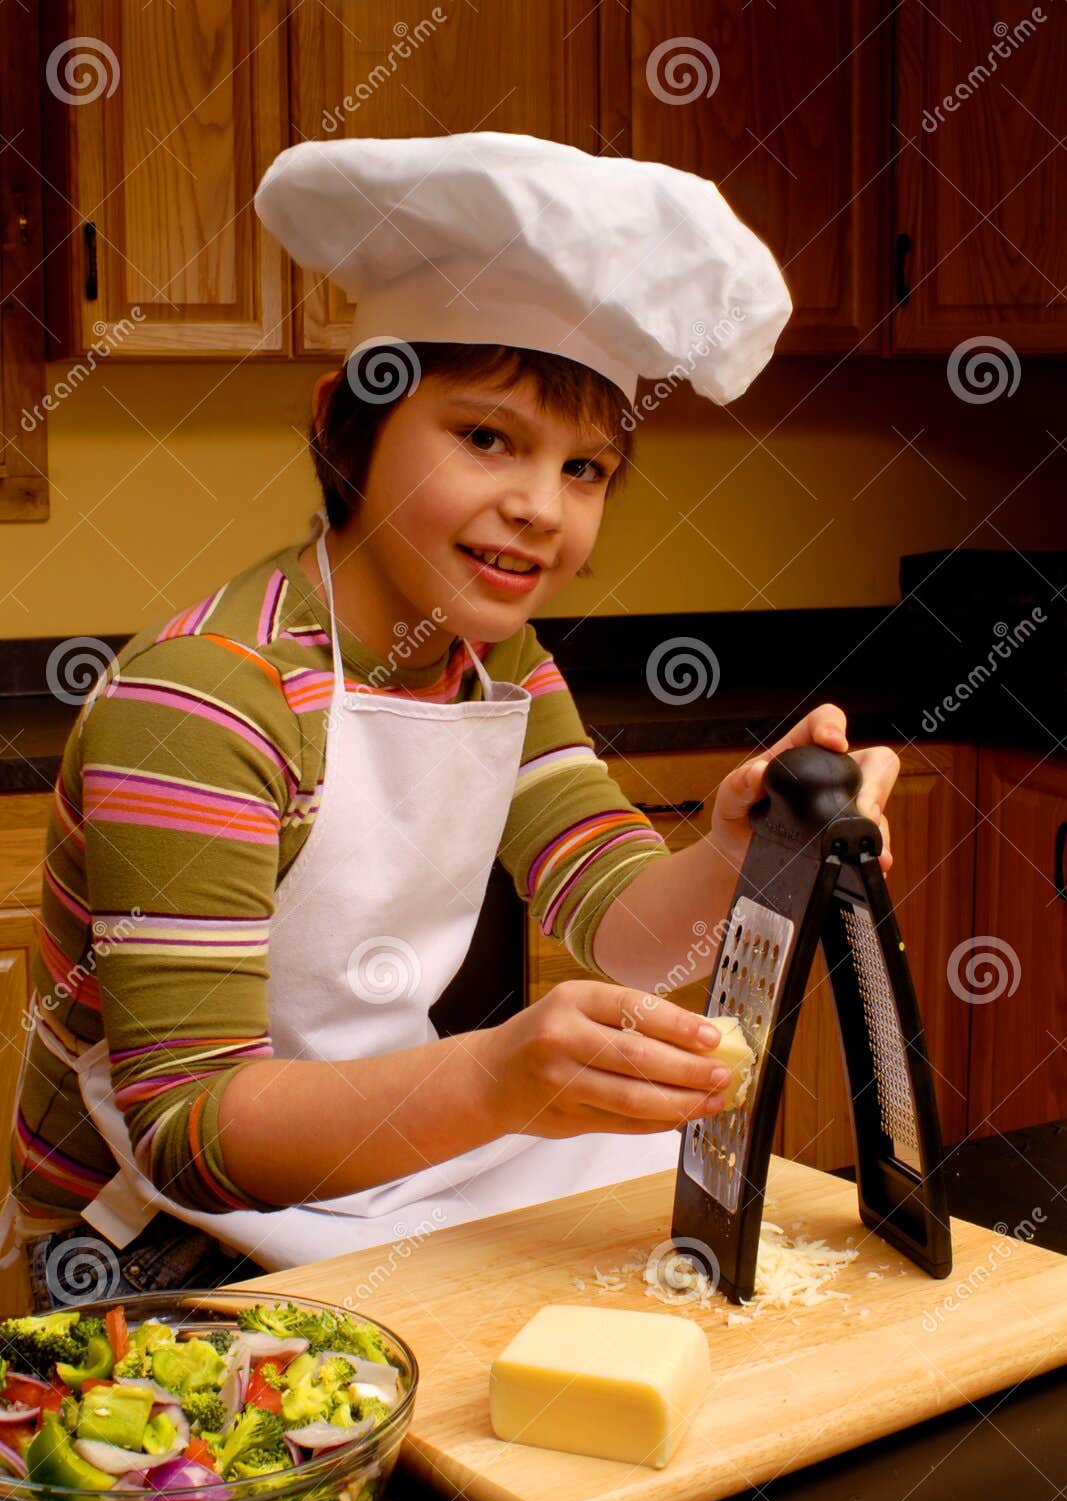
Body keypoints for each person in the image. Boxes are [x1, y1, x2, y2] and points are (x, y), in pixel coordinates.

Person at [1, 133, 899, 1306]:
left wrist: (739, 846)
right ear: (347, 422)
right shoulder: (204, 701)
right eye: (485, 438)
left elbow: (619, 927)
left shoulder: (496, 664)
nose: (540, 508)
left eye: (585, 469)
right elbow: (188, 1132)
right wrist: (497, 1078)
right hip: (149, 1242)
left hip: (377, 1160)